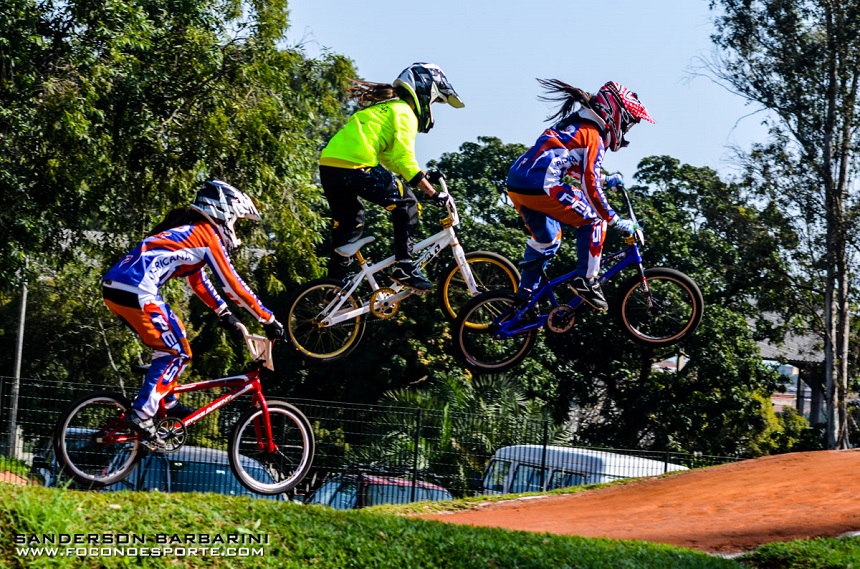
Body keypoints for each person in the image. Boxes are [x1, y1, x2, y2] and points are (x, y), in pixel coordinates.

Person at [102, 180, 285, 440]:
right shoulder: (207, 235)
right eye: (237, 220)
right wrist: (268, 319)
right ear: (225, 212)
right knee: (177, 351)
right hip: (137, 288)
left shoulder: (189, 232)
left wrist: (223, 312)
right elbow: (233, 285)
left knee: (174, 335)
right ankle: (142, 413)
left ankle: (168, 402)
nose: (236, 228)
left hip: (115, 288)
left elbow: (198, 281)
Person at [505, 79, 654, 310]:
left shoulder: (575, 126)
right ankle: (586, 281)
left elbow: (570, 166)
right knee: (595, 219)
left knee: (548, 240)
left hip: (518, 183)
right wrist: (615, 220)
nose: (625, 130)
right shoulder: (593, 135)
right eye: (627, 123)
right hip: (541, 184)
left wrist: (606, 180)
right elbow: (589, 184)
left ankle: (524, 299)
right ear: (616, 114)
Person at [319, 62, 465, 290]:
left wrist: (422, 175)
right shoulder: (405, 113)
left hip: (330, 165)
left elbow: (391, 158)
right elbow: (405, 161)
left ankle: (334, 288)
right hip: (357, 165)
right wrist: (432, 193)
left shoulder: (385, 108)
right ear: (425, 90)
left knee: (350, 221)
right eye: (435, 100)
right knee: (407, 204)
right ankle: (404, 266)